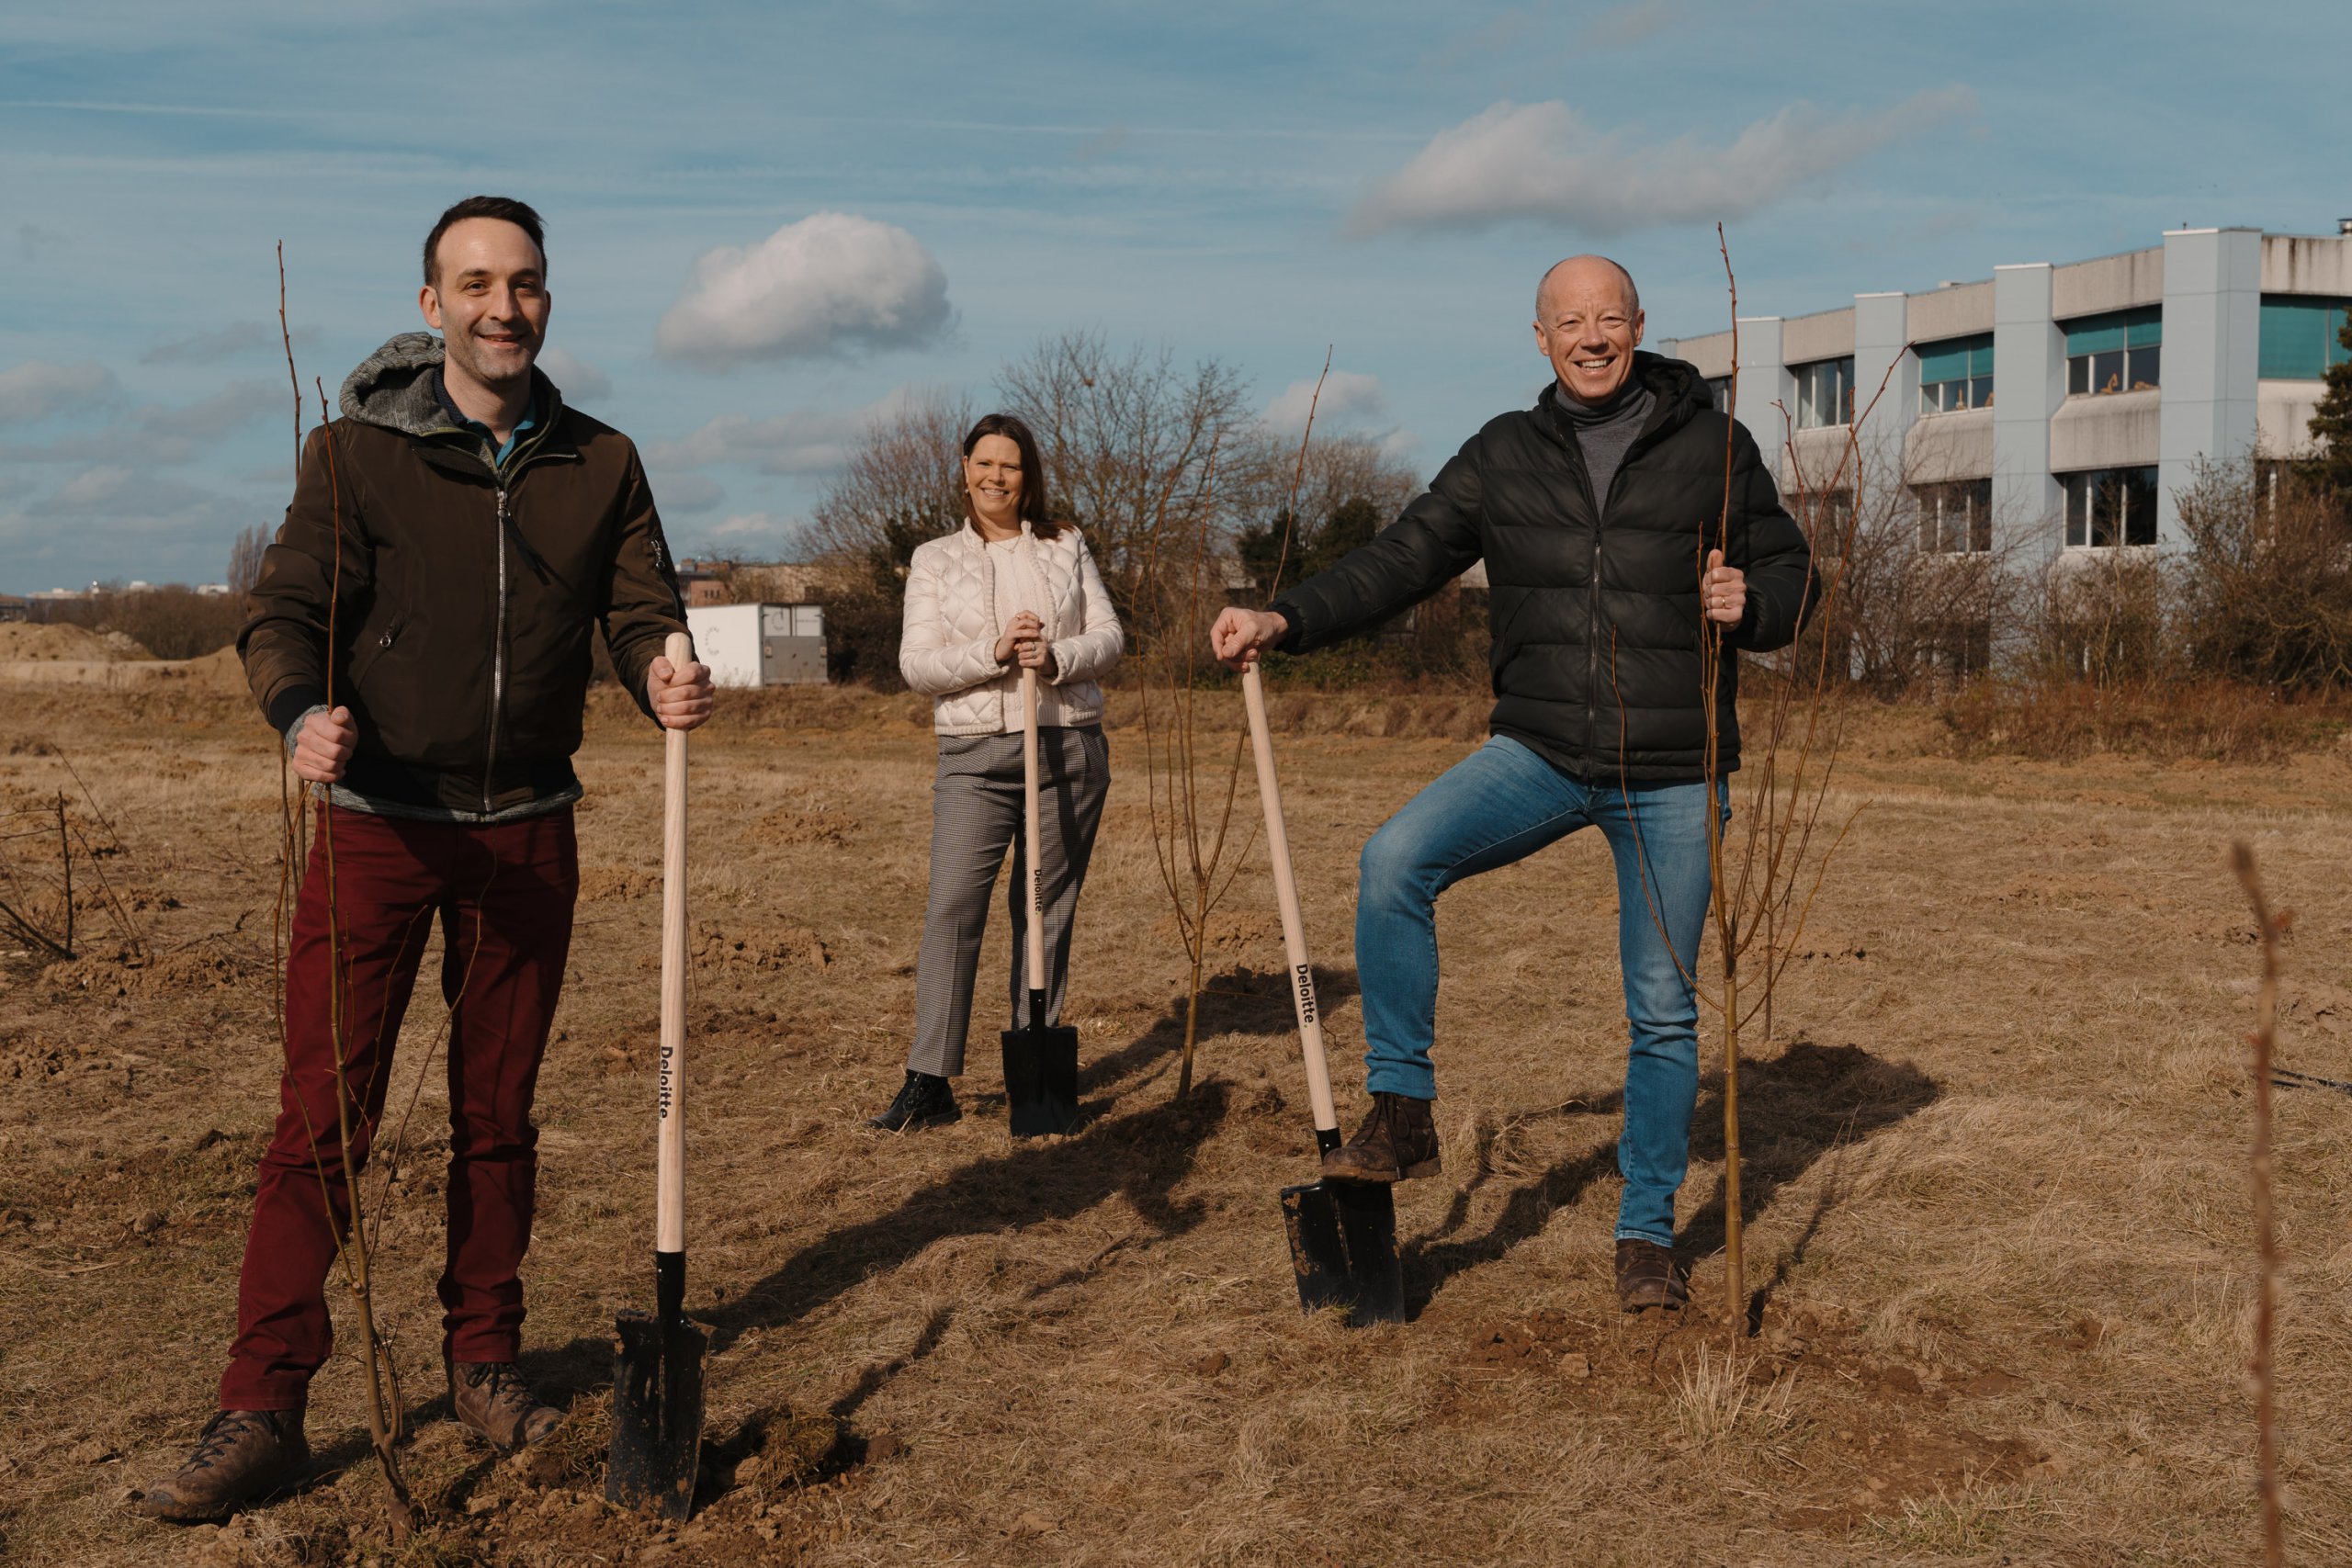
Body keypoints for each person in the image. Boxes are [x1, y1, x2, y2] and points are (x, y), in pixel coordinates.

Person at [136, 196, 713, 1521]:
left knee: (497, 1115)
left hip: (528, 828)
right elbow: (284, 609)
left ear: (548, 300)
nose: (500, 305)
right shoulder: (354, 454)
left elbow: (640, 606)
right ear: (430, 305)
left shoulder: (603, 460)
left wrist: (662, 666)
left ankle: (487, 1362)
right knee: (321, 1121)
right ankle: (265, 1401)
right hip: (377, 828)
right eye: (474, 283)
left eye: (523, 283)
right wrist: (300, 709)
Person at [1210, 255, 1815, 1313]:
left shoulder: (1715, 447)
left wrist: (1750, 603)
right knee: (1393, 859)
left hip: (1671, 770)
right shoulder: (1502, 452)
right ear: (1538, 336)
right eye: (1569, 321)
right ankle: (1401, 1110)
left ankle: (1644, 1237)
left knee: (1663, 1009)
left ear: (1638, 326)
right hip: (1536, 750)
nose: (1591, 337)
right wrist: (1285, 617)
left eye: (1608, 319)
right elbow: (1403, 557)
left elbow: (1793, 575)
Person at [868, 412, 1123, 1131]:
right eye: (984, 462)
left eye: (1010, 465)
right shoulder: (934, 558)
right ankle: (930, 1080)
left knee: (1043, 913)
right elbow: (916, 666)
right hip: (976, 757)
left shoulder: (1065, 545)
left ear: (1028, 475)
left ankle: (1030, 1073)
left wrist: (1060, 656)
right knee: (953, 906)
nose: (996, 476)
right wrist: (994, 650)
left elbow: (1110, 635)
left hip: (1067, 747)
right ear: (964, 467)